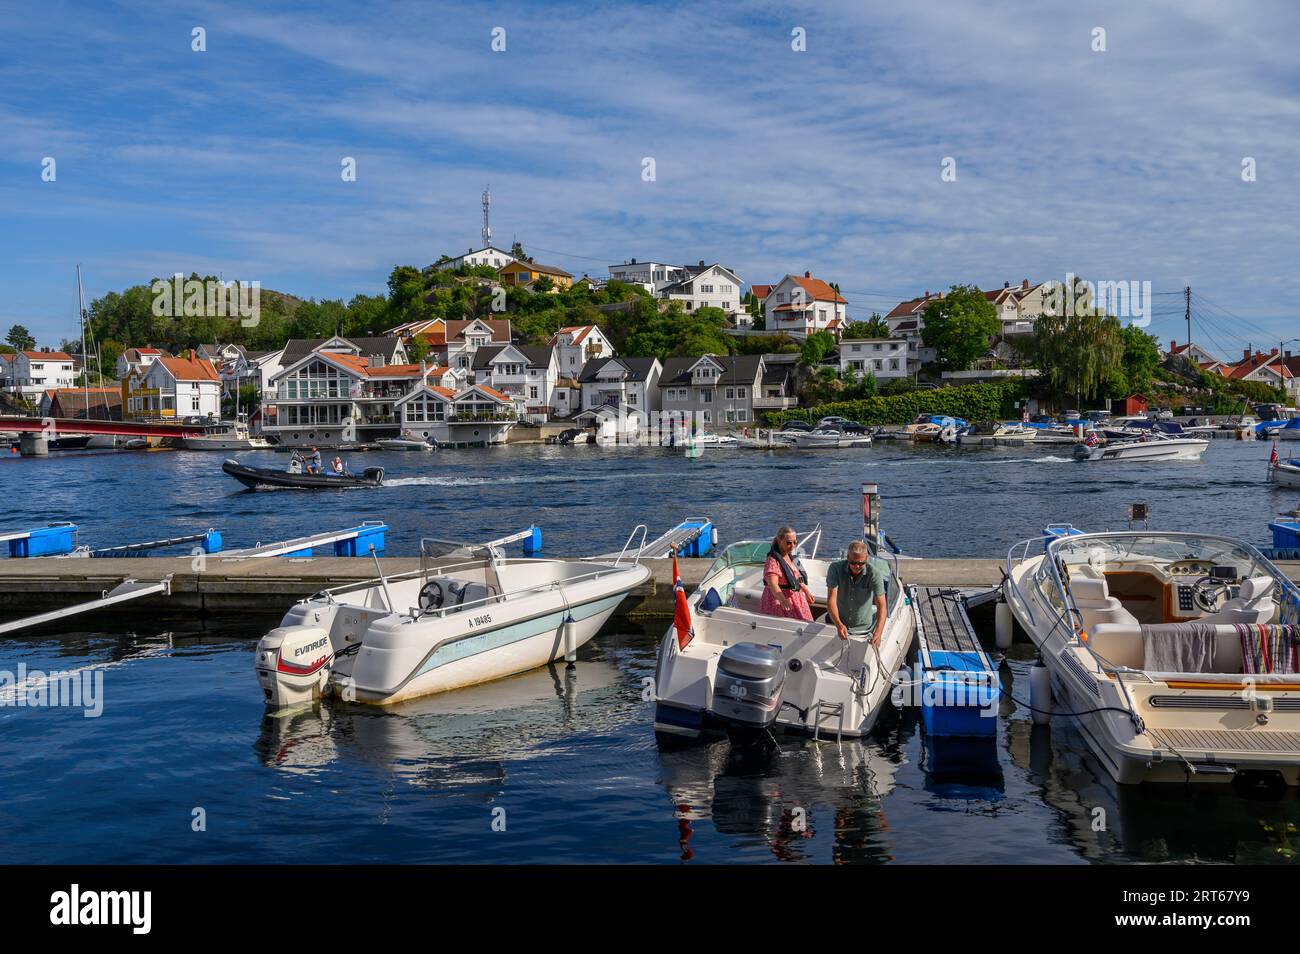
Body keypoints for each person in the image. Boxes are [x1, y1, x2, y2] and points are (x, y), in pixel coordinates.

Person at [826, 540, 887, 645]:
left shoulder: (874, 574)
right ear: (848, 558)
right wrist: (839, 624)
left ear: (866, 559)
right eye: (853, 562)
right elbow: (831, 599)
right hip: (836, 623)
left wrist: (878, 633)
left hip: (862, 628)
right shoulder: (835, 568)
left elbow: (882, 606)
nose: (857, 566)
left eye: (861, 563)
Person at [760, 526, 814, 622]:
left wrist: (806, 591)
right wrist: (783, 600)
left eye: (795, 542)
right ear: (779, 540)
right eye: (789, 543)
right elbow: (773, 584)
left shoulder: (791, 557)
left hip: (797, 599)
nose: (793, 546)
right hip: (780, 600)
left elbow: (795, 578)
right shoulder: (772, 560)